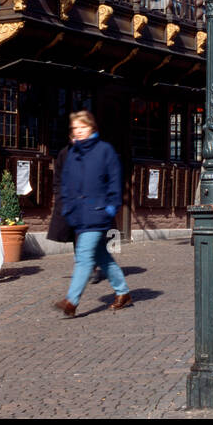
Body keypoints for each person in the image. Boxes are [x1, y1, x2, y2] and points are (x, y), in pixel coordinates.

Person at [54, 110, 132, 316]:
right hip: (78, 214)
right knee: (102, 256)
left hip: (97, 213)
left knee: (83, 257)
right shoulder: (73, 153)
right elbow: (66, 183)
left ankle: (71, 301)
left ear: (92, 128)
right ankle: (123, 292)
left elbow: (115, 182)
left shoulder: (105, 150)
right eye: (75, 128)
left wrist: (110, 207)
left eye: (82, 127)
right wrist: (67, 207)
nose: (78, 131)